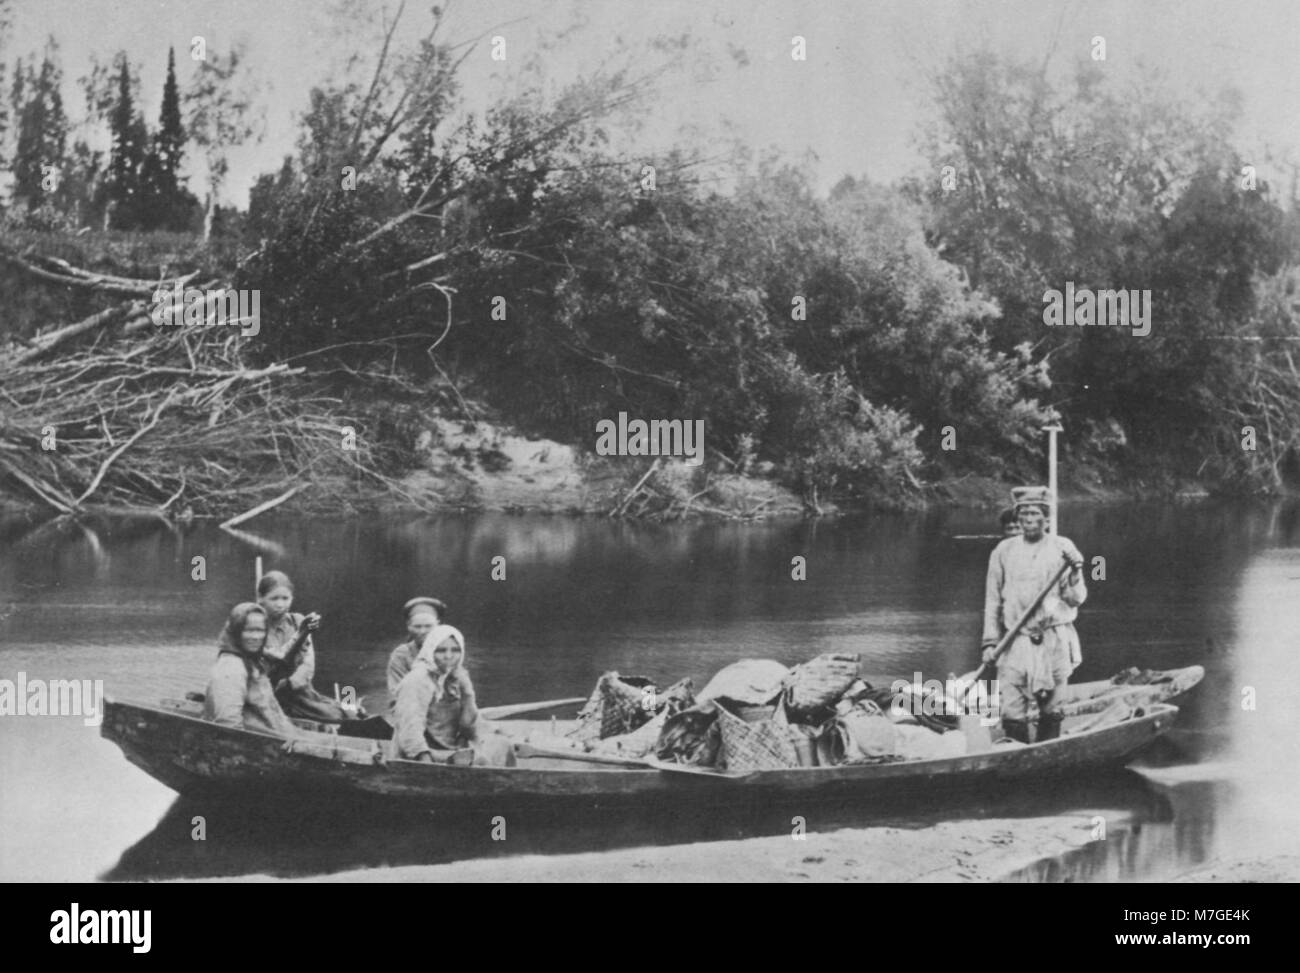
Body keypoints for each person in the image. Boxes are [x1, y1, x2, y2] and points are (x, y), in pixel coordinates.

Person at [979, 489, 1086, 744]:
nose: (1028, 518)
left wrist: (1075, 572)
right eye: (1023, 512)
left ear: (1046, 519)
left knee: (1052, 709)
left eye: (1034, 513)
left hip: (1054, 639)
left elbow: (1077, 598)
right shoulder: (1003, 551)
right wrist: (990, 642)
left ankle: (1049, 756)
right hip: (1016, 640)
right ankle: (1017, 755)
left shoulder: (1063, 548)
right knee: (1011, 709)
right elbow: (992, 600)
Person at [337, 596, 448, 741]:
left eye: (428, 626)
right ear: (408, 626)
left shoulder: (449, 650)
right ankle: (349, 707)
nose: (423, 631)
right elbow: (398, 698)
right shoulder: (401, 655)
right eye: (417, 627)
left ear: (438, 625)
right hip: (409, 720)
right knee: (351, 726)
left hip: (441, 722)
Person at [257, 570, 353, 723]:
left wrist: (291, 684)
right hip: (267, 692)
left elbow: (308, 664)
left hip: (298, 692)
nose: (280, 604)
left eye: (285, 598)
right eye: (274, 599)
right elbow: (274, 659)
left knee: (342, 713)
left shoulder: (297, 621)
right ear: (261, 599)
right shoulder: (255, 626)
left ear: (292, 599)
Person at [203, 602, 299, 736]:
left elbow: (281, 658)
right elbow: (228, 724)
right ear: (236, 631)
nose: (255, 637)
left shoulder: (251, 659)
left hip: (276, 735)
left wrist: (302, 632)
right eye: (248, 630)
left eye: (260, 630)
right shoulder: (231, 667)